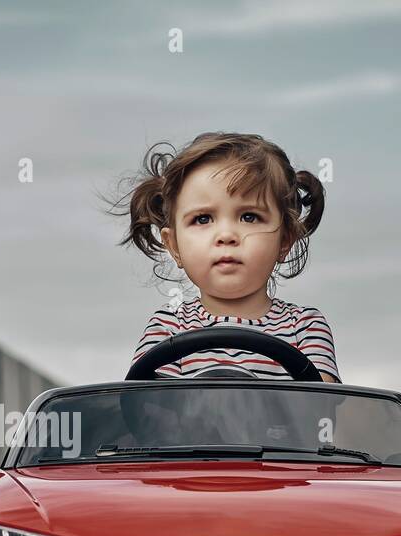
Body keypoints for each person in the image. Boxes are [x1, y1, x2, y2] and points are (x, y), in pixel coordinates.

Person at [112, 132, 340, 382]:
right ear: (174, 245)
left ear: (284, 240)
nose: (226, 235)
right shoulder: (167, 327)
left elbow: (322, 407)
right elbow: (148, 411)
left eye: (249, 217)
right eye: (203, 219)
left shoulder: (305, 327)